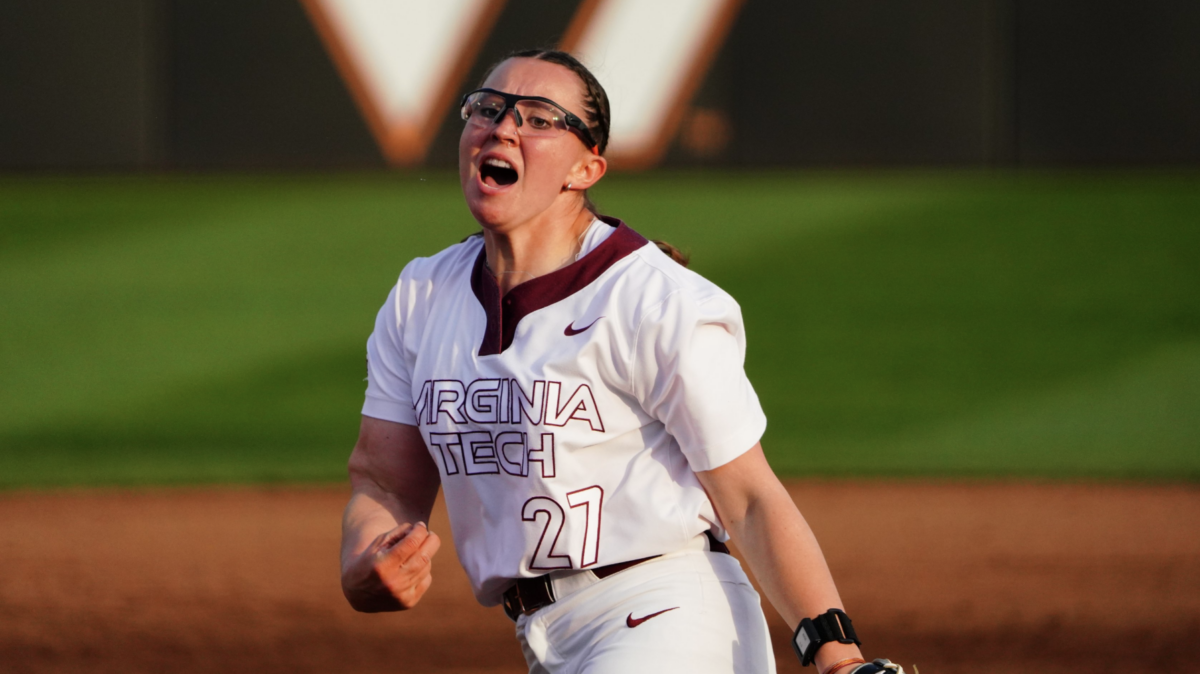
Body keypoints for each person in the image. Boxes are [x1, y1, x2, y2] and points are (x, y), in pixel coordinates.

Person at [339, 49, 904, 674]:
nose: (503, 127)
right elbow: (385, 481)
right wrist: (364, 558)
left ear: (586, 168)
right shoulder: (422, 296)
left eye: (538, 118)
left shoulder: (655, 300)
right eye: (489, 109)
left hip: (669, 619)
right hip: (543, 636)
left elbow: (748, 498)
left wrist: (837, 655)